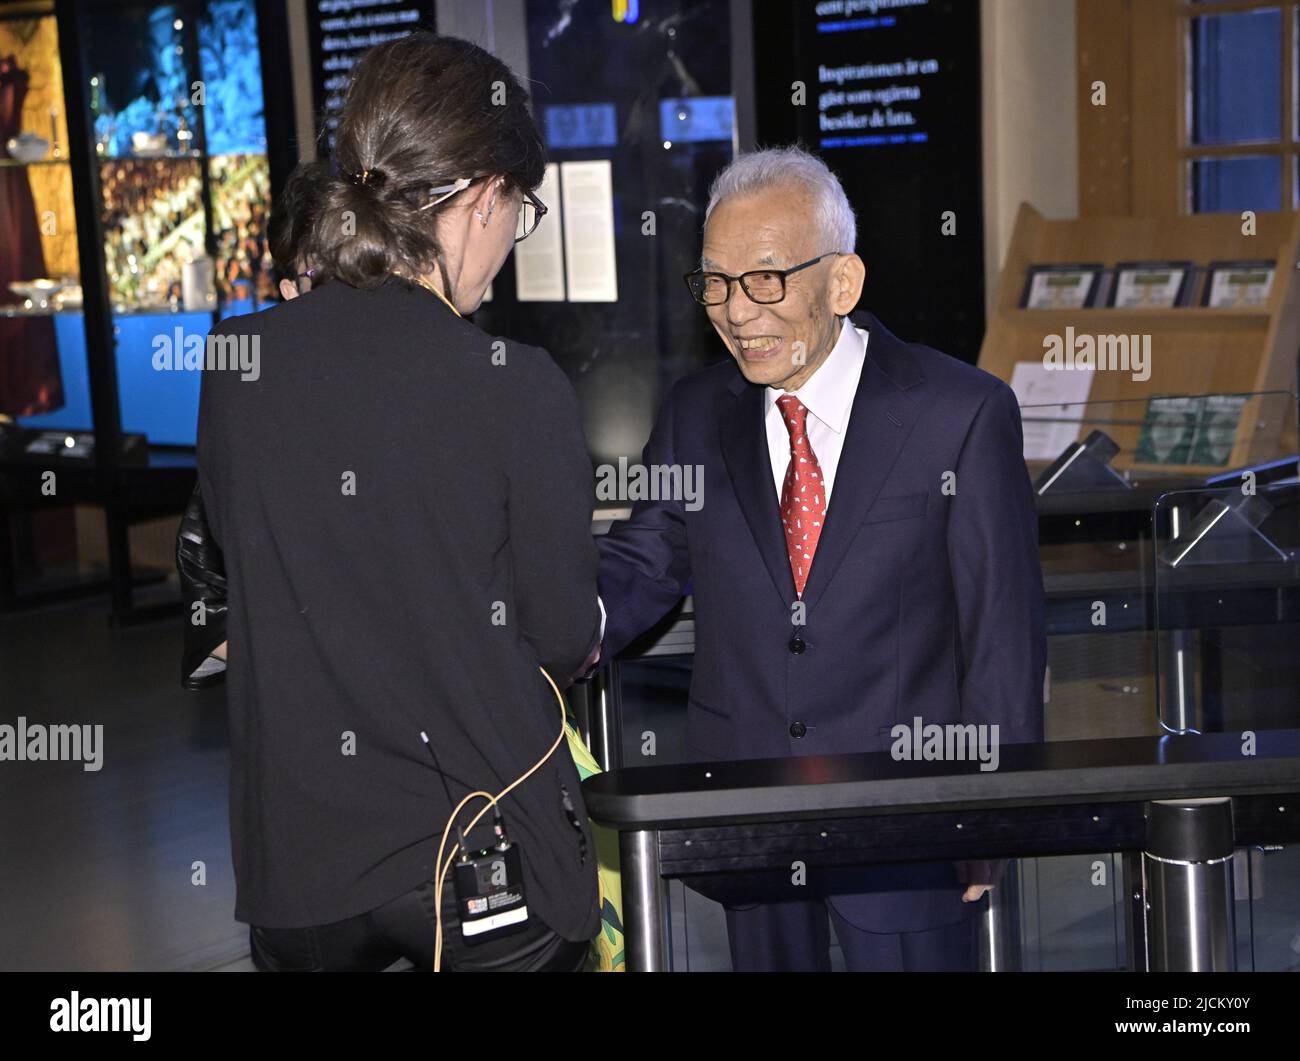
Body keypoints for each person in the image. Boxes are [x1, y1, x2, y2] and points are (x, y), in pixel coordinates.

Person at [195, 32, 603, 972]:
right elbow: (554, 632)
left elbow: (247, 578)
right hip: (477, 854)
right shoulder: (516, 383)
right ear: (483, 195)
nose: (510, 239)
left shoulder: (235, 366)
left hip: (297, 870)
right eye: (519, 211)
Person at [596, 145, 1046, 972]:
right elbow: (644, 556)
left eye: (765, 279)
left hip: (910, 824)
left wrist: (994, 815)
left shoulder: (961, 412)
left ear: (842, 282)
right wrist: (555, 619)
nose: (736, 311)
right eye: (716, 283)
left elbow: (1001, 635)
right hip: (750, 818)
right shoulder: (699, 412)